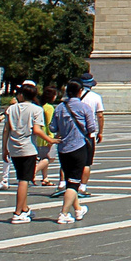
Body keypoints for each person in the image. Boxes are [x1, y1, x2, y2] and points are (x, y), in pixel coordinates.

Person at [1, 82, 54, 224]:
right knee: (24, 180)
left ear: (21, 95)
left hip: (13, 147)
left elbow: (6, 130)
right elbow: (36, 130)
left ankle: (24, 208)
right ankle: (18, 213)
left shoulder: (11, 109)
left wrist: (4, 148)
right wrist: (50, 139)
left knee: (21, 176)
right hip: (28, 147)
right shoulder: (36, 109)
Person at [49, 79, 96, 224]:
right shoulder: (84, 107)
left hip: (63, 148)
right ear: (80, 92)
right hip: (78, 147)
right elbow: (92, 128)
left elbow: (52, 128)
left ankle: (78, 209)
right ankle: (63, 213)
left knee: (70, 179)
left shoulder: (60, 107)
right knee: (74, 183)